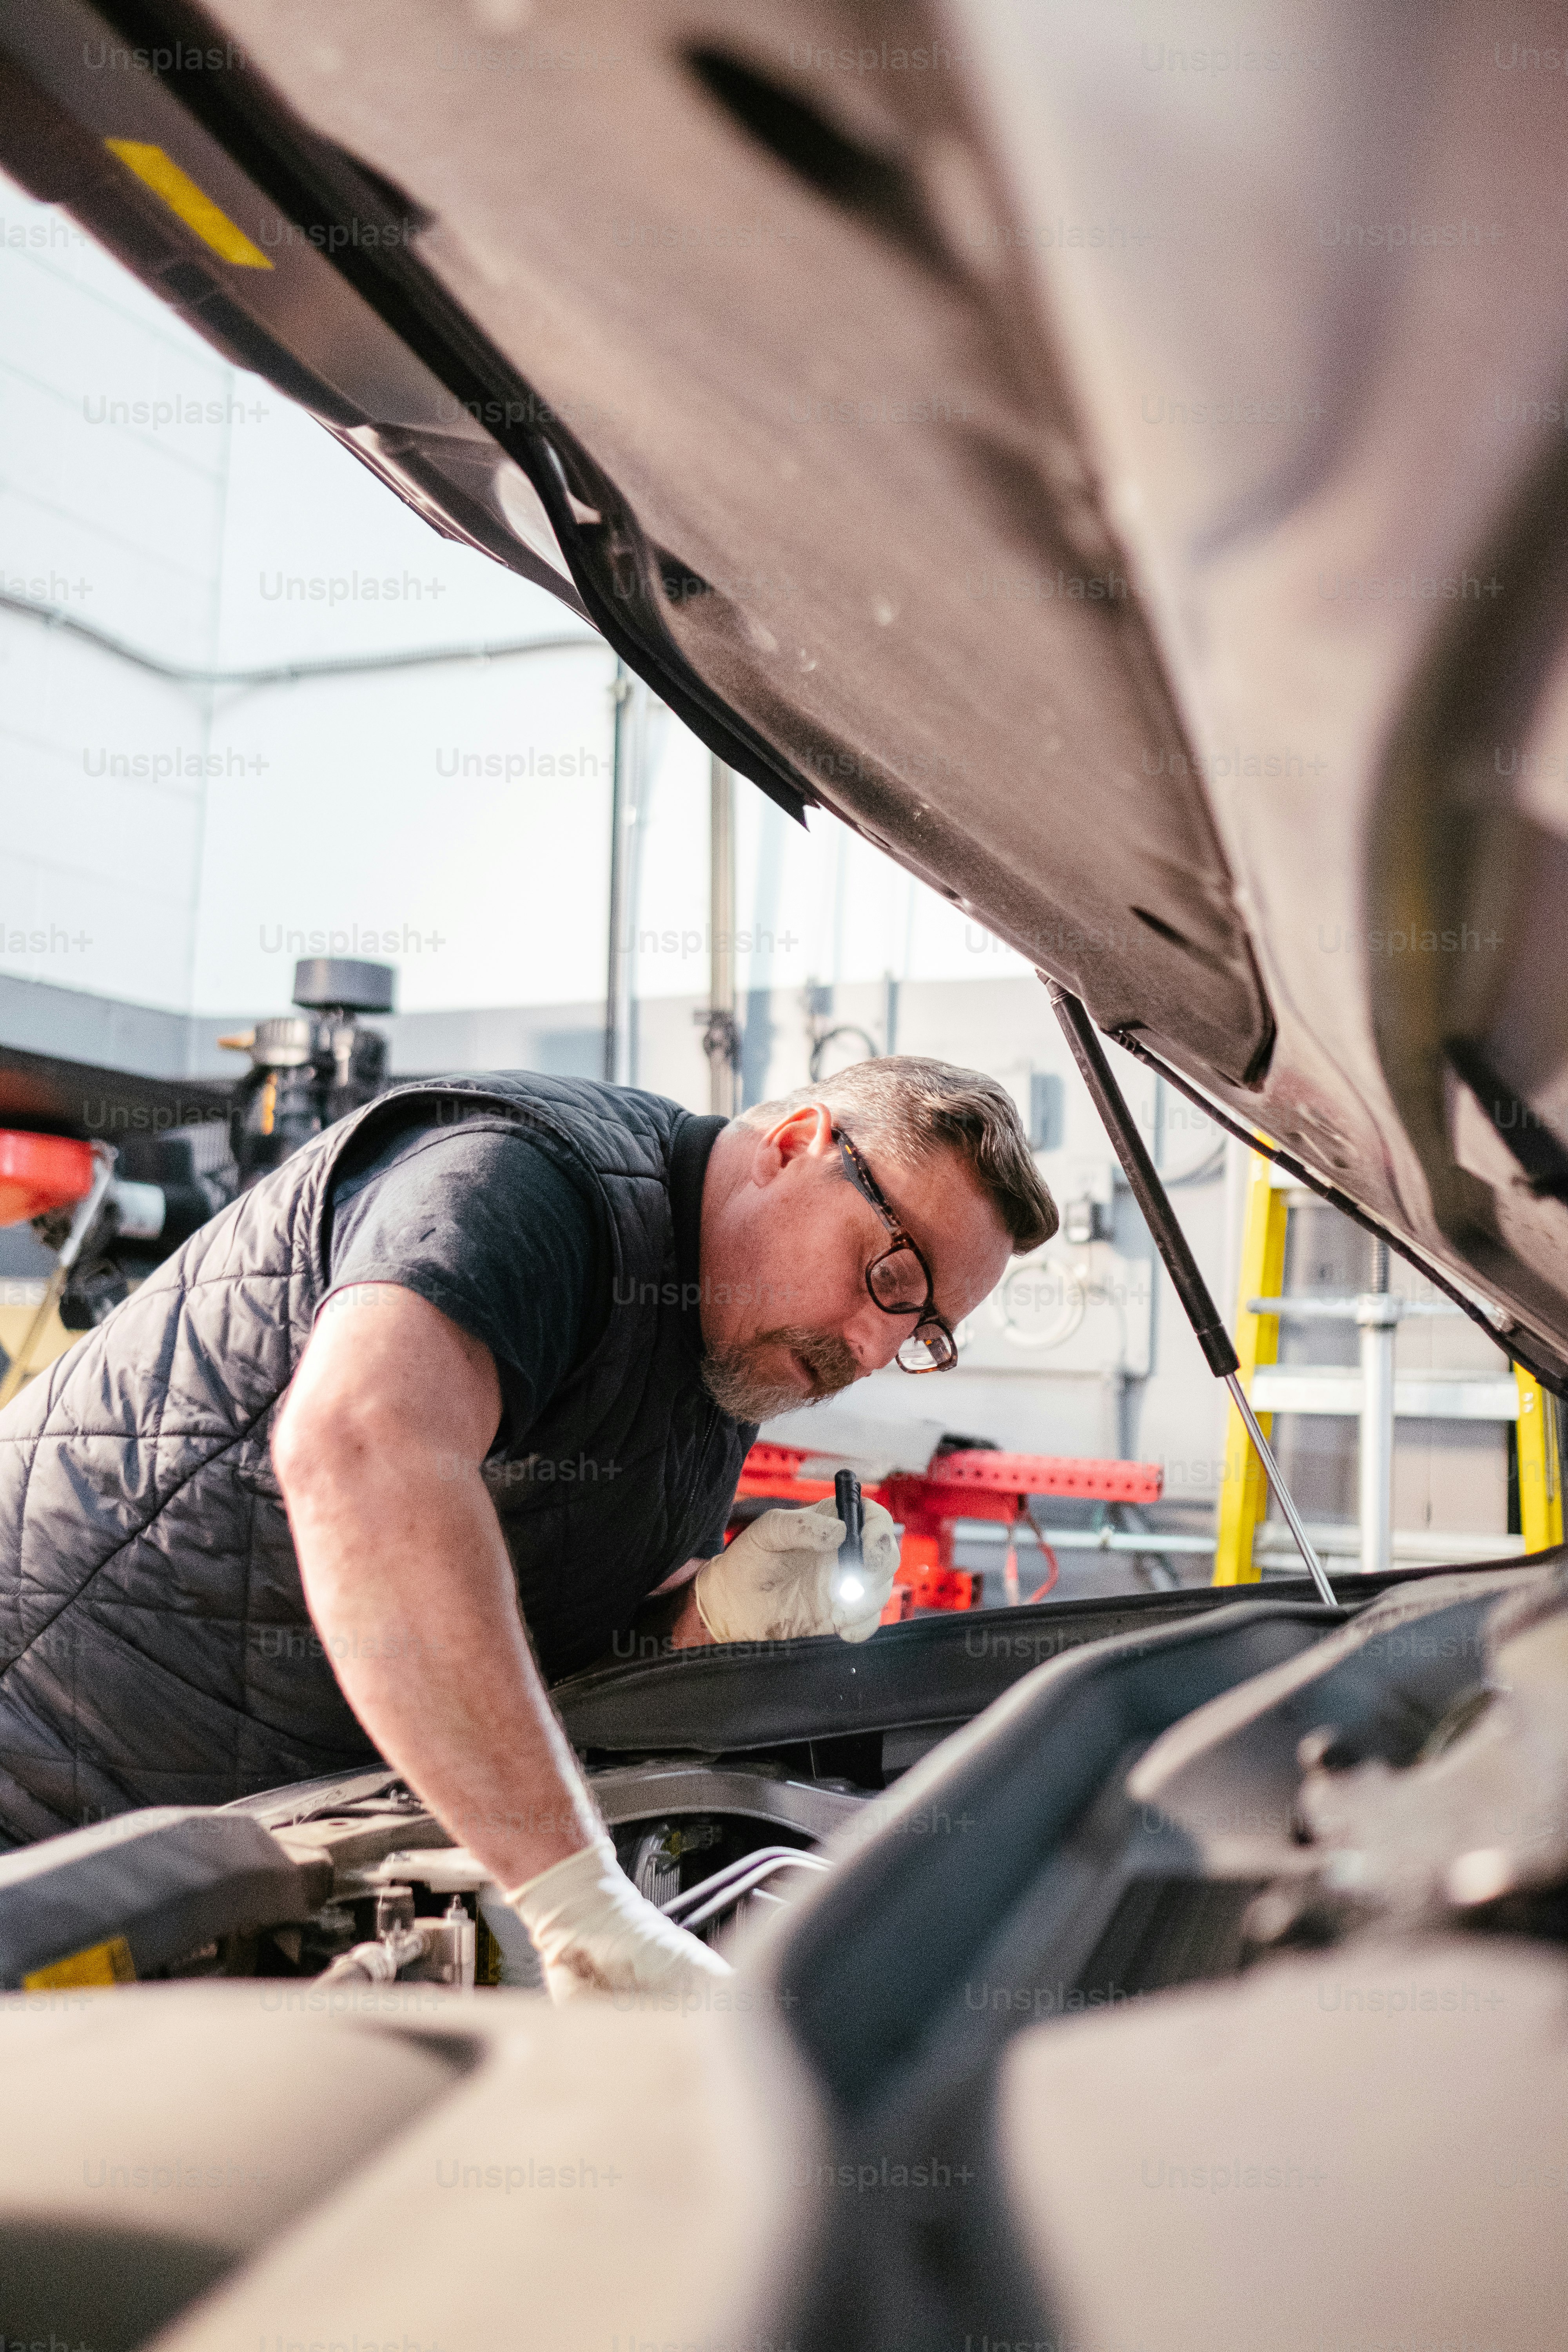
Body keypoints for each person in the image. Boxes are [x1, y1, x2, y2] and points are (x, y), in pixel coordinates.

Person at [0, 1056, 1056, 1996]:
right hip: (43, 1784)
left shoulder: (723, 1369)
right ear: (794, 1148)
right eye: (891, 1276)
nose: (874, 1347)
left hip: (220, 1856)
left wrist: (706, 1615)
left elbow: (551, 1635)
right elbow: (362, 1447)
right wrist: (576, 1897)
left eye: (925, 1334)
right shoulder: (528, 1181)